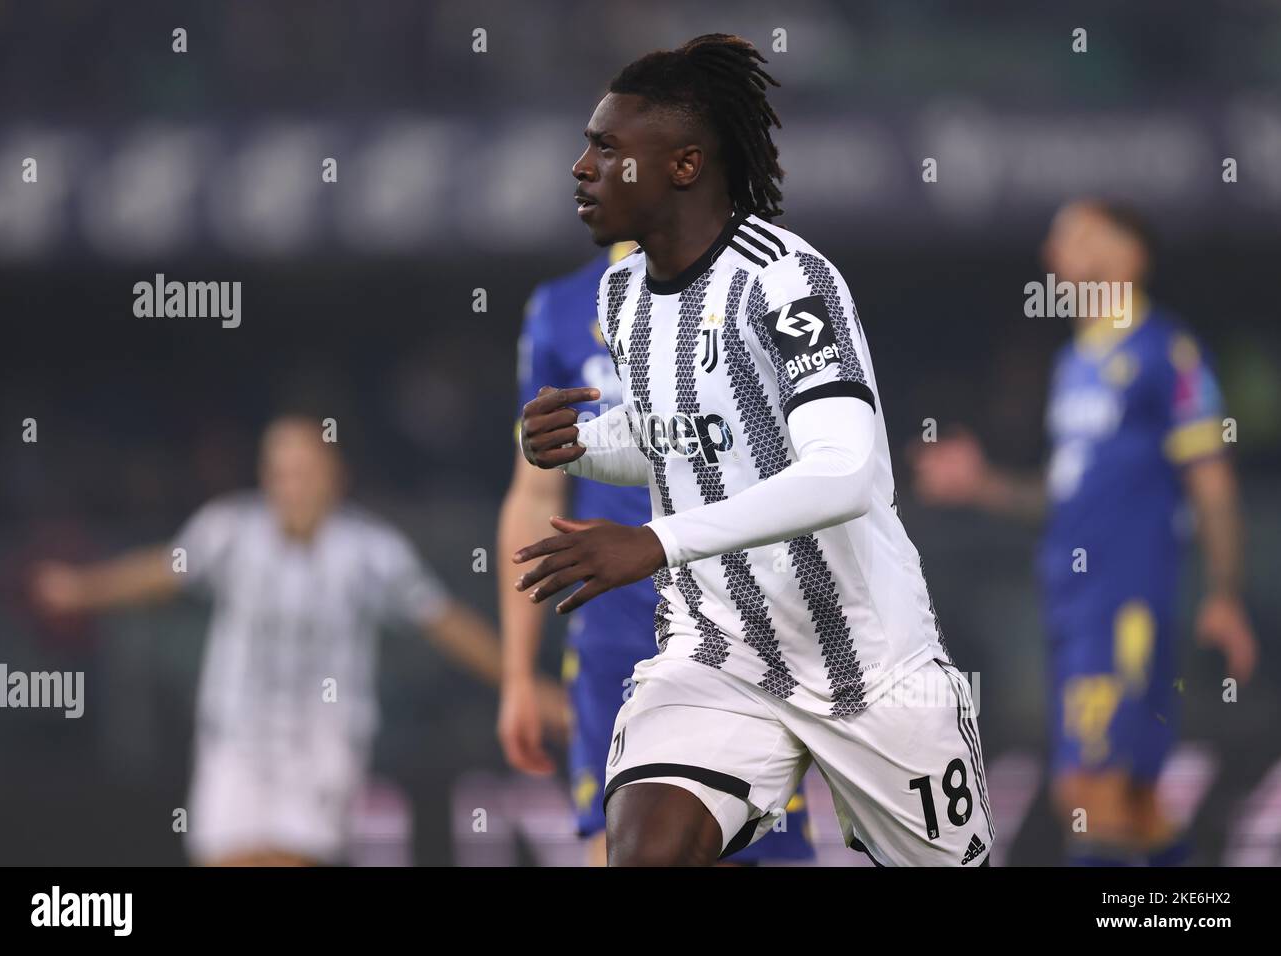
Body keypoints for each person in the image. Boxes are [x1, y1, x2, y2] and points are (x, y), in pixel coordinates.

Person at [513, 34, 993, 867]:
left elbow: (843, 470)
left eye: (607, 148)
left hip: (867, 668)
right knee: (644, 853)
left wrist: (655, 542)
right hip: (718, 656)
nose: (582, 167)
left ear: (685, 166)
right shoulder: (622, 296)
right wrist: (579, 447)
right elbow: (688, 435)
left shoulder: (788, 282)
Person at [32, 415, 566, 865]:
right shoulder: (230, 532)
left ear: (335, 475)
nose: (292, 486)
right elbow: (162, 572)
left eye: (304, 472)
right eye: (281, 473)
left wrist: (520, 682)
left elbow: (443, 623)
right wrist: (83, 590)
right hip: (235, 741)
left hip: (323, 744)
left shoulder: (369, 550)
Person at [911, 199, 1258, 865]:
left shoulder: (1165, 353)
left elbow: (1213, 484)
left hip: (1124, 603)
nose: (1054, 255)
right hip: (1073, 605)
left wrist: (1224, 594)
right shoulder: (1075, 364)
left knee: (1088, 796)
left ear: (1130, 256)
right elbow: (1067, 497)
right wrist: (983, 483)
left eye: (1076, 237)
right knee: (1133, 805)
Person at [497, 244, 814, 866]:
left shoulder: (756, 285)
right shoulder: (558, 308)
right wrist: (517, 674)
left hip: (740, 623)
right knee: (621, 845)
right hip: (615, 625)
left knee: (761, 846)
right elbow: (534, 493)